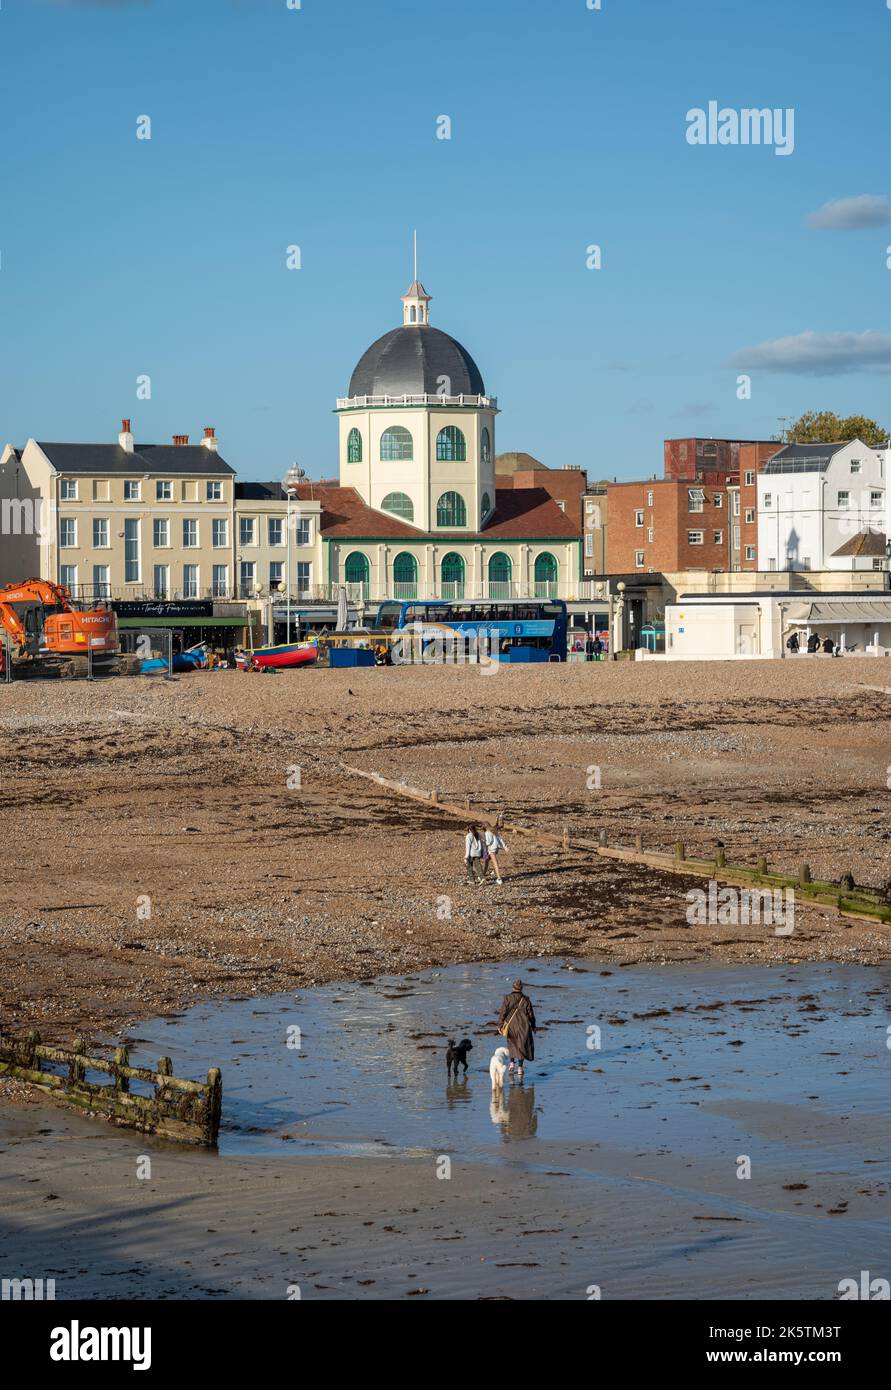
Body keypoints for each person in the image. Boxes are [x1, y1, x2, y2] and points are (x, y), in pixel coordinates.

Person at [497, 979, 536, 1081]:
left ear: (513, 987)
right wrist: (533, 1025)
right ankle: (520, 1068)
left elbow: (503, 1013)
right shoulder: (526, 999)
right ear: (521, 988)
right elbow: (531, 1014)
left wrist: (500, 1025)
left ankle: (511, 1065)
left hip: (511, 1026)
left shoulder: (507, 998)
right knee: (521, 1046)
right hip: (524, 1026)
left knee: (512, 1045)